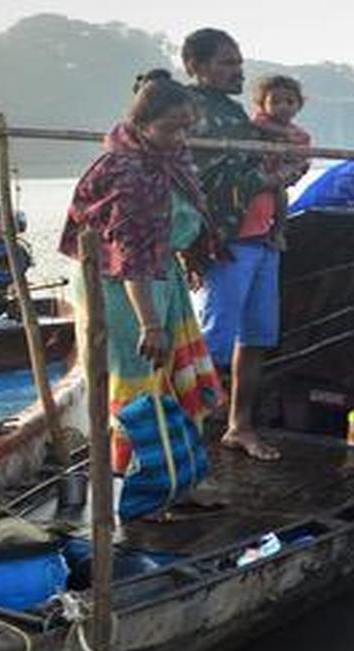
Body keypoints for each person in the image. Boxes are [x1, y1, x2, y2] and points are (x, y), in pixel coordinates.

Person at [59, 69, 224, 474]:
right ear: (140, 125)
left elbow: (176, 224)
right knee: (137, 377)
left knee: (168, 375)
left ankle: (171, 473)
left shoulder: (168, 158)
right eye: (171, 129)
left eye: (187, 128)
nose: (181, 138)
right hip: (121, 287)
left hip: (160, 274)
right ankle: (134, 477)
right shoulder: (129, 172)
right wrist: (149, 324)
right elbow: (130, 257)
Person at [182, 28, 300, 460]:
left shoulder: (232, 114)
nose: (238, 71)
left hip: (263, 239)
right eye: (227, 63)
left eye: (239, 62)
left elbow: (256, 162)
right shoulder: (191, 112)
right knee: (212, 342)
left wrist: (281, 174)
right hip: (228, 242)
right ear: (195, 65)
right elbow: (203, 178)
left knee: (255, 338)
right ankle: (183, 434)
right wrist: (271, 177)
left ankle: (239, 425)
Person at [244, 74, 312, 249]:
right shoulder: (260, 123)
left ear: (299, 105)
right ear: (262, 105)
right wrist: (284, 134)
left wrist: (298, 166)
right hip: (262, 170)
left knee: (282, 196)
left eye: (290, 102)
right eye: (275, 102)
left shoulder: (300, 134)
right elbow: (256, 125)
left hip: (281, 175)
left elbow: (303, 154)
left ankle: (278, 231)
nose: (283, 107)